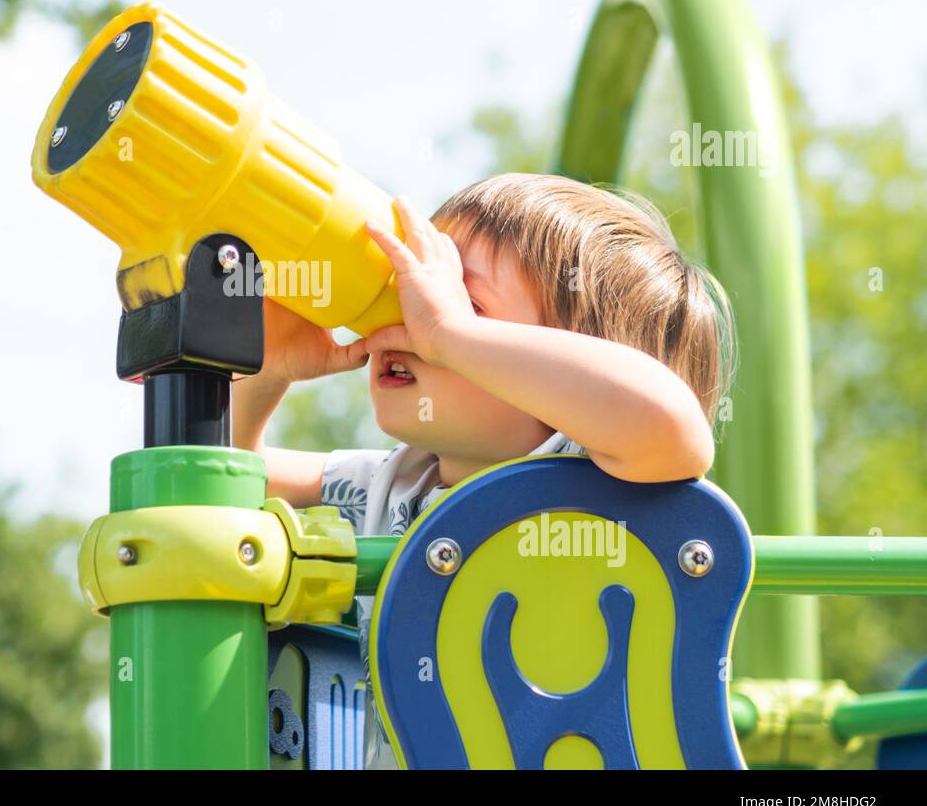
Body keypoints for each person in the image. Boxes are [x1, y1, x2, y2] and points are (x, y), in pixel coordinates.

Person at [233, 172, 737, 769]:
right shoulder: (394, 482)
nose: (412, 315)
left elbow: (674, 425)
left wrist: (452, 334)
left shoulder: (587, 477)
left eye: (462, 299)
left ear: (563, 371)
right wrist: (266, 371)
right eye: (409, 289)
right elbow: (227, 481)